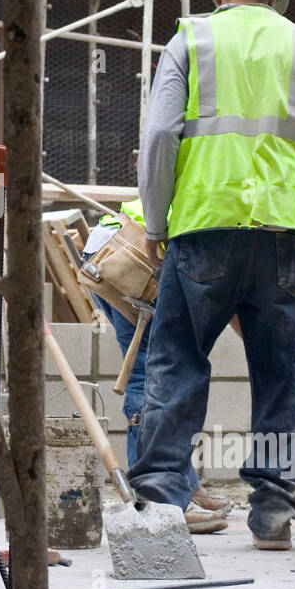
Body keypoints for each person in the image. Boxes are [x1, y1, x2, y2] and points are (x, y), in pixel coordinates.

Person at [132, 0, 295, 551]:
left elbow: (158, 137)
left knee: (177, 360)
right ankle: (272, 512)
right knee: (277, 373)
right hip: (283, 236)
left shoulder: (191, 40)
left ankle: (159, 499)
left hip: (203, 226)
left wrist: (155, 221)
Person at [81, 198, 231, 533]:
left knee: (164, 372)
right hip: (130, 258)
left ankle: (183, 485)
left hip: (122, 249)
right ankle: (154, 501)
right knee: (149, 373)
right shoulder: (246, 218)